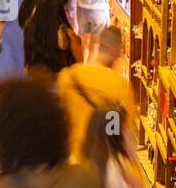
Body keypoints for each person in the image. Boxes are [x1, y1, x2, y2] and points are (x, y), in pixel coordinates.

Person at [57, 25, 137, 161]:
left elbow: (61, 121)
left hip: (73, 159)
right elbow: (122, 136)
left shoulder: (69, 77)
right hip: (101, 163)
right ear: (113, 50)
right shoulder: (120, 87)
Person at [24, 0, 81, 82]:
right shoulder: (65, 33)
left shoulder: (29, 27)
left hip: (35, 79)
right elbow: (79, 61)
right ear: (59, 9)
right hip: (58, 81)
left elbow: (27, 57)